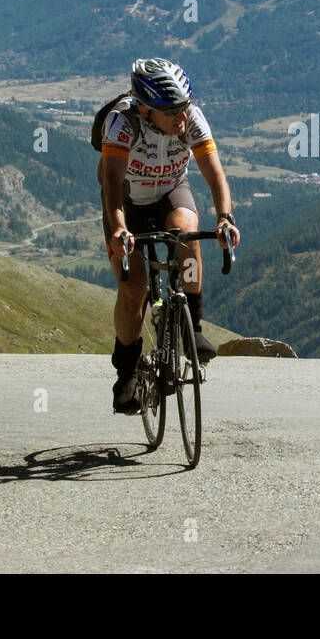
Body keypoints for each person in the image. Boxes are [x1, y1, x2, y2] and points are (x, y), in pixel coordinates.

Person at [96, 57, 241, 413]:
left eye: (184, 107)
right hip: (126, 202)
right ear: (146, 110)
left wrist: (224, 218)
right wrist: (118, 228)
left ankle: (192, 323)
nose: (181, 117)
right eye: (171, 111)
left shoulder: (191, 119)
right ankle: (127, 372)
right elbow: (112, 183)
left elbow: (215, 176)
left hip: (170, 193)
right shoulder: (122, 122)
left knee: (187, 234)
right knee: (133, 289)